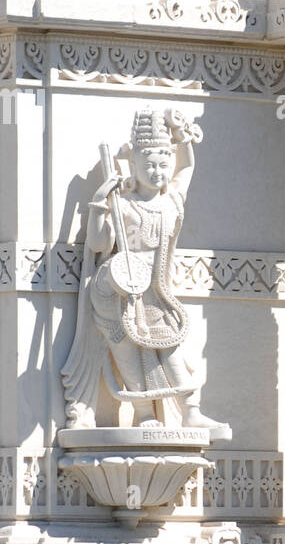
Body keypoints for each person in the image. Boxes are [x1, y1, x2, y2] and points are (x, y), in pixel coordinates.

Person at [62, 105, 226, 431]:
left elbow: (187, 167)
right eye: (148, 164)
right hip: (115, 290)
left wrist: (182, 135)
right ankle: (143, 414)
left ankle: (190, 408)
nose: (157, 171)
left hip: (154, 289)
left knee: (169, 346)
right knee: (127, 349)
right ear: (133, 165)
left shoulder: (172, 201)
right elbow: (98, 245)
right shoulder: (122, 204)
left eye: (164, 164)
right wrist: (98, 203)